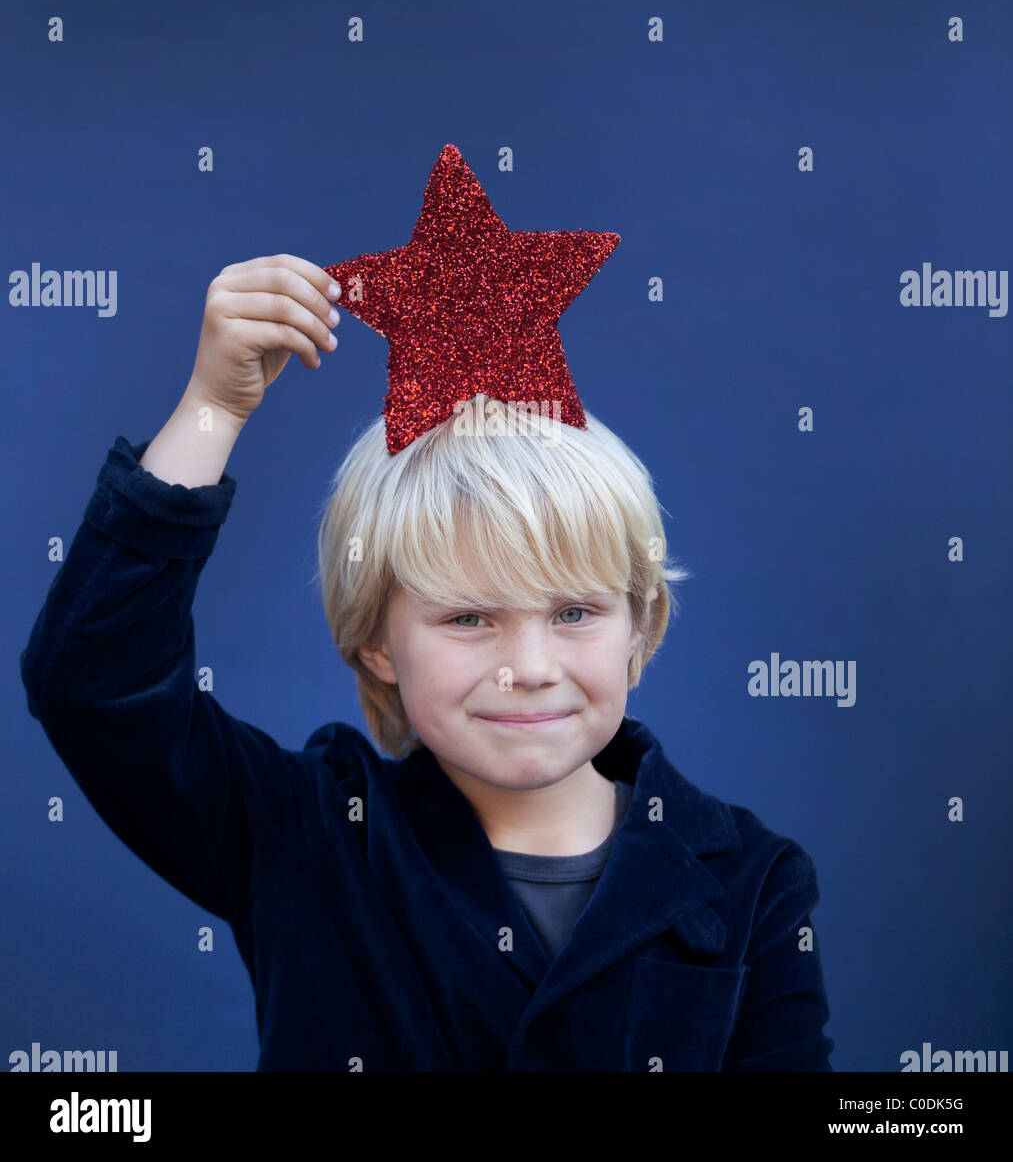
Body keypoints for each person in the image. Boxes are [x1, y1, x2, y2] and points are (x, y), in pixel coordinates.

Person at [20, 249, 834, 1071]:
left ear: (639, 623)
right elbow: (95, 684)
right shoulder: (306, 834)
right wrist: (210, 410)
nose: (529, 665)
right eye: (470, 617)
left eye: (574, 612)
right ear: (376, 641)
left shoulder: (750, 878)